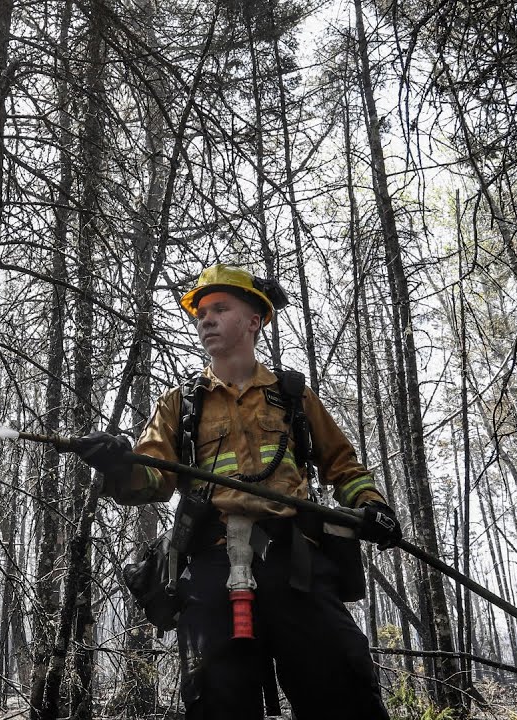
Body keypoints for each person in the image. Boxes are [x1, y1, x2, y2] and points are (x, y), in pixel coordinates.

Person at [79, 264, 401, 720]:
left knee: (342, 687)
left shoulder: (294, 397)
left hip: (296, 567)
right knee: (215, 699)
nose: (205, 319)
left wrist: (373, 506)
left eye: (219, 309)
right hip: (211, 568)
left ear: (254, 320)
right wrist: (117, 463)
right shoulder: (180, 404)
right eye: (201, 313)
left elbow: (342, 466)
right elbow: (152, 481)